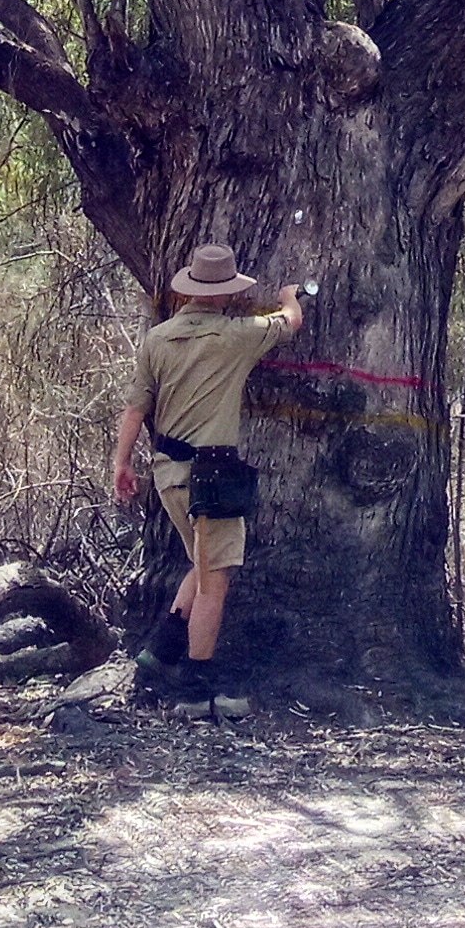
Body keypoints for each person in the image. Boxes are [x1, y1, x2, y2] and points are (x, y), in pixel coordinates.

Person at [112, 241, 308, 672]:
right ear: (227, 292)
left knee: (202, 565)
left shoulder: (157, 340)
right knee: (214, 583)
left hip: (168, 475)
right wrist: (289, 297)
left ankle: (159, 653)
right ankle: (199, 684)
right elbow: (291, 322)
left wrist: (122, 464)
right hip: (212, 480)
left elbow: (135, 407)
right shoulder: (237, 336)